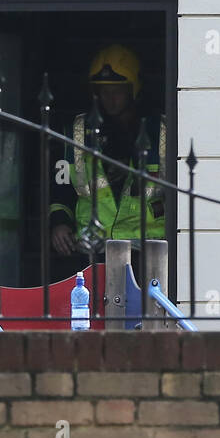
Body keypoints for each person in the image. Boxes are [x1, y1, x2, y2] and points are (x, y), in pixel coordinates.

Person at [47, 45, 166, 280]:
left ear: (134, 90)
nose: (109, 99)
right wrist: (59, 223)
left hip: (147, 250)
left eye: (118, 91)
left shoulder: (161, 131)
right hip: (92, 249)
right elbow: (61, 186)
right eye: (103, 92)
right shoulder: (78, 131)